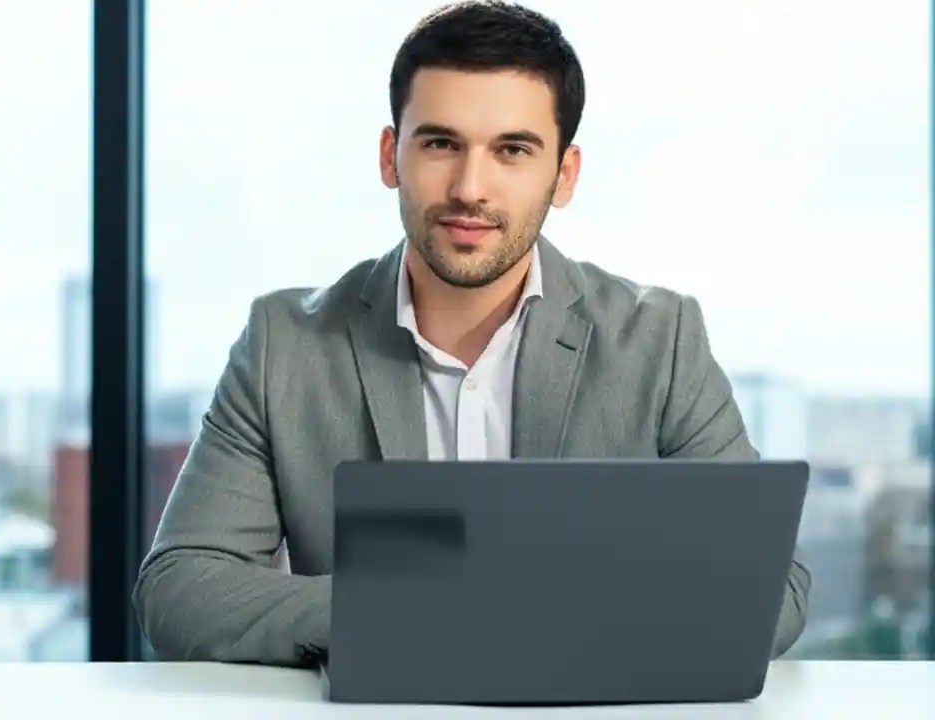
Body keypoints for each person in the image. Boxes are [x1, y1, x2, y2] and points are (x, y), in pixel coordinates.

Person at [133, 0, 811, 666]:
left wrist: (541, 617)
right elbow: (181, 588)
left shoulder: (659, 342)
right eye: (440, 144)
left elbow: (771, 586)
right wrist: (412, 609)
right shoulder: (284, 344)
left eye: (512, 150)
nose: (469, 187)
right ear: (390, 156)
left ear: (564, 175)